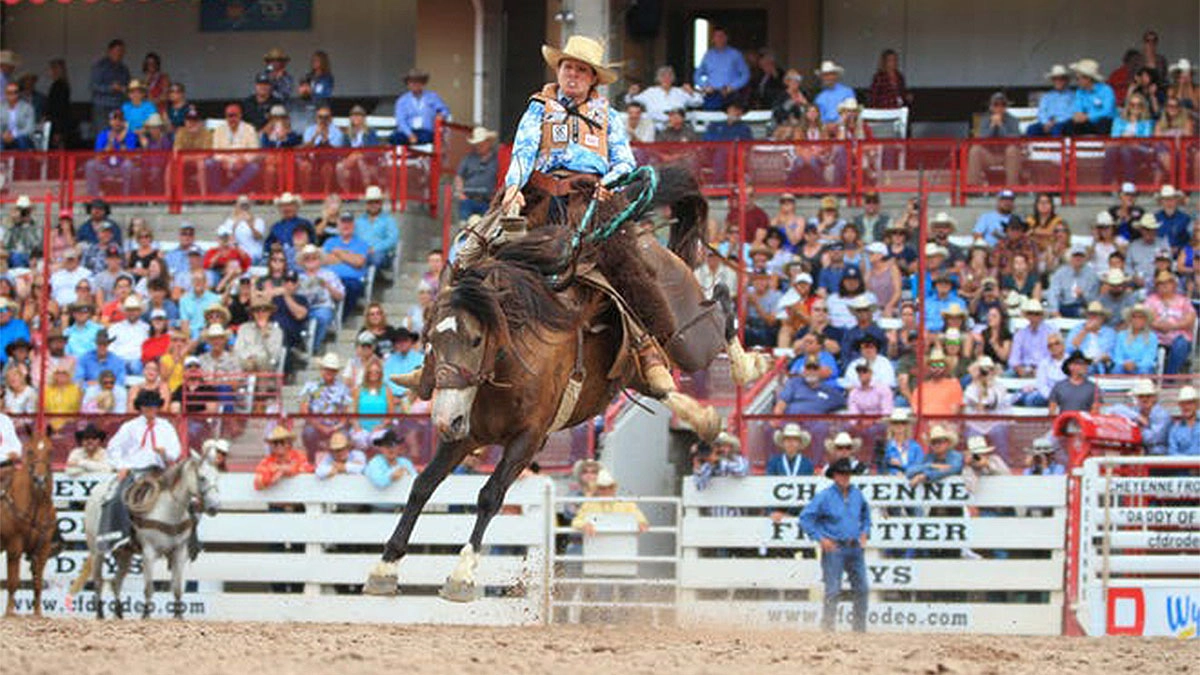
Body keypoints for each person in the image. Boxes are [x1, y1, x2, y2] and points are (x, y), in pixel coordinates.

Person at [96, 389, 180, 553]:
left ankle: (188, 541)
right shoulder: (130, 427)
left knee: (186, 498)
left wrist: (165, 453)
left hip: (160, 470)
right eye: (147, 407)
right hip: (135, 471)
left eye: (154, 407)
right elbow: (113, 448)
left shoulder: (166, 427)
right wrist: (122, 466)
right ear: (140, 408)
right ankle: (117, 536)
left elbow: (175, 451)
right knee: (117, 499)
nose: (151, 410)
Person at [800, 457, 870, 633]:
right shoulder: (825, 496)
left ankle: (859, 629)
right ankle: (828, 627)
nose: (845, 476)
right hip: (835, 548)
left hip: (854, 546)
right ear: (835, 476)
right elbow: (805, 518)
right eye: (841, 473)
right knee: (833, 590)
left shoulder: (857, 494)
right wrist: (821, 538)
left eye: (847, 473)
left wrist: (865, 531)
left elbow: (866, 515)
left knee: (862, 588)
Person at [299, 353, 353, 454]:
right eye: (326, 369)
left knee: (345, 436)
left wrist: (336, 427)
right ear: (321, 369)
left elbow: (346, 413)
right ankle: (311, 459)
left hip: (336, 425)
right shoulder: (310, 385)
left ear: (336, 372)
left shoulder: (343, 388)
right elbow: (304, 410)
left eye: (332, 370)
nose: (329, 372)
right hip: (315, 425)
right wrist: (321, 427)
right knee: (308, 433)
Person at [1145, 270, 1195, 375]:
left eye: (1167, 282)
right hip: (1156, 335)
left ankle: (1169, 377)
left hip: (1178, 334)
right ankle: (1150, 374)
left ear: (1173, 284)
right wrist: (1158, 326)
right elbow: (1145, 318)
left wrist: (1173, 326)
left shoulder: (1183, 300)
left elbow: (1191, 319)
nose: (1164, 286)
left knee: (1181, 344)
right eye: (1160, 283)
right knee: (1145, 340)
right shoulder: (1150, 300)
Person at [967, 92, 1021, 186]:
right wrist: (992, 126)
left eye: (1002, 105)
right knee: (975, 150)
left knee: (1012, 150)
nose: (999, 108)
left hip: (1006, 155)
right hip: (989, 154)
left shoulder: (1013, 120)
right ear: (991, 107)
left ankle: (1012, 187)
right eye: (996, 105)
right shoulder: (985, 119)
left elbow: (1014, 140)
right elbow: (981, 139)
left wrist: (1001, 126)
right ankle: (974, 186)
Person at [571, 469, 649, 534]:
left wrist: (641, 523)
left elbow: (640, 517)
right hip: (596, 548)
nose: (607, 490)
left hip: (622, 546)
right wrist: (584, 525)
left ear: (614, 488)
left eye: (610, 487)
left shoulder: (626, 504)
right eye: (602, 488)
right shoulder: (589, 504)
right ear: (597, 489)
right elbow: (576, 521)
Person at [1107, 379, 1171, 456]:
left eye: (1148, 396)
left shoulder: (1162, 415)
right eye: (1141, 396)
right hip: (1141, 453)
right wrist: (1138, 417)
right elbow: (1113, 409)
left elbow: (1152, 438)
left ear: (1154, 398)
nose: (1145, 399)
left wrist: (1134, 430)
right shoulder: (1136, 411)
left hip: (1158, 456)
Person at [322, 212, 369, 316]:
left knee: (352, 287)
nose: (346, 225)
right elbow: (324, 260)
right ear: (338, 225)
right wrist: (349, 256)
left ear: (354, 225)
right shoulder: (330, 242)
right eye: (343, 222)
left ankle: (340, 318)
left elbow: (359, 262)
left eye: (349, 222)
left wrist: (338, 253)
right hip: (331, 278)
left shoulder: (361, 243)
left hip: (352, 280)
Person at [693, 27, 749, 111]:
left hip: (730, 94)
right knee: (711, 120)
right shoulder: (708, 55)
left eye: (721, 36)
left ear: (726, 38)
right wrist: (705, 86)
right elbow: (697, 75)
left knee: (730, 121)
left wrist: (733, 87)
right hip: (712, 95)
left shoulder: (735, 54)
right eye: (716, 36)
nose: (719, 39)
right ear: (713, 39)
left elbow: (745, 75)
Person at [392, 68, 449, 145]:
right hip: (407, 131)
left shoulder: (432, 96)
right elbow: (401, 120)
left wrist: (441, 115)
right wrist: (410, 134)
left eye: (418, 82)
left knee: (427, 137)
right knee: (395, 137)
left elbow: (444, 109)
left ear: (423, 83)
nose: (415, 85)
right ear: (408, 84)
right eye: (411, 82)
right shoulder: (402, 100)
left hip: (425, 131)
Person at [454, 128, 500, 220]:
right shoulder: (468, 159)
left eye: (481, 143)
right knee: (465, 227)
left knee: (485, 230)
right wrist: (460, 193)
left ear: (488, 142)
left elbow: (501, 178)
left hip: (487, 201)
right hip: (468, 200)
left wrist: (496, 198)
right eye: (477, 144)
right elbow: (459, 176)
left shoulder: (497, 160)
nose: (478, 146)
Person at [634, 65, 702, 128]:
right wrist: (632, 93)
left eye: (669, 76)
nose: (666, 79)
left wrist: (691, 92)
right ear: (658, 79)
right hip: (655, 128)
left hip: (676, 128)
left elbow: (698, 102)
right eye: (663, 76)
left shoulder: (680, 92)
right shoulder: (650, 92)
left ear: (673, 79)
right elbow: (632, 101)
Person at [89, 39, 130, 139]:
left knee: (118, 136)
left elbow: (128, 87)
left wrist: (124, 89)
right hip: (102, 107)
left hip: (118, 106)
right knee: (103, 135)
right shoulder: (100, 66)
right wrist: (110, 88)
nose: (119, 54)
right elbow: (93, 86)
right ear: (109, 51)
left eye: (122, 51)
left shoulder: (124, 69)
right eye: (117, 50)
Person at [1063, 59, 1116, 136]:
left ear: (1088, 78)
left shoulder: (1106, 90)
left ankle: (1101, 147)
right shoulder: (1079, 92)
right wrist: (1078, 115)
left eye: (1078, 79)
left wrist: (1088, 116)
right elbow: (1078, 109)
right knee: (1069, 125)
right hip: (1088, 122)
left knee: (1104, 123)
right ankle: (1074, 147)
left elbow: (1108, 111)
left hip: (1104, 122)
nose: (1077, 81)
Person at [253, 425, 313, 490]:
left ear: (288, 444)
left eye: (282, 442)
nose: (279, 445)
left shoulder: (299, 455)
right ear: (271, 446)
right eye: (275, 442)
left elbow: (308, 469)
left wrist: (283, 470)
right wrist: (277, 472)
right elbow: (258, 483)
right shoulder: (266, 461)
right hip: (275, 498)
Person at [1046, 246, 1100, 319]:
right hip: (1063, 305)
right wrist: (1055, 311)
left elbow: (1094, 299)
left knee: (1081, 312)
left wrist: (1083, 295)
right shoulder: (1061, 272)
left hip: (1082, 306)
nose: (1078, 258)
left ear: (1085, 258)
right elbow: (1053, 293)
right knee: (1049, 311)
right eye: (1075, 256)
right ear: (1070, 258)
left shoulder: (1092, 275)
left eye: (1081, 256)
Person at [355, 186, 400, 270]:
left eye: (376, 202)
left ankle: (365, 280)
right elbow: (354, 238)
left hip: (381, 253)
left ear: (381, 203)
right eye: (370, 202)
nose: (373, 205)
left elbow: (393, 239)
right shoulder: (359, 221)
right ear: (366, 204)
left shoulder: (388, 220)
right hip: (361, 253)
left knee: (375, 257)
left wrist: (375, 248)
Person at [1027, 65, 1075, 136]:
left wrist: (1056, 121)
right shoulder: (1047, 96)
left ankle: (1055, 147)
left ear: (1066, 80)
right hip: (1046, 123)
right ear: (1052, 81)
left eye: (1061, 79)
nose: (1058, 81)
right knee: (1031, 129)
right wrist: (1046, 123)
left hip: (1063, 124)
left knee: (1057, 129)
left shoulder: (1072, 96)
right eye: (1055, 79)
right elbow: (1041, 112)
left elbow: (1071, 113)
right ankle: (1031, 147)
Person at [1113, 304, 1158, 374]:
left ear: (1145, 320)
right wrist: (1124, 363)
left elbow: (1149, 358)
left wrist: (1136, 365)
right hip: (1124, 367)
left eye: (1141, 317)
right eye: (1134, 317)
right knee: (1117, 368)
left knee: (1144, 370)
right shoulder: (1121, 335)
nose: (1137, 320)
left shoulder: (1152, 337)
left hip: (1142, 368)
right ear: (1130, 319)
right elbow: (1117, 355)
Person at [812, 60, 855, 125]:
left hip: (843, 127)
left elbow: (851, 112)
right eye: (824, 75)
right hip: (824, 129)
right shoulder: (819, 97)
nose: (827, 78)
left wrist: (838, 124)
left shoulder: (847, 92)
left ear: (836, 76)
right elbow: (818, 117)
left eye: (830, 74)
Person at [883, 409, 923, 476]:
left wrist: (901, 467)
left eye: (903, 423)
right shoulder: (885, 447)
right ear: (891, 426)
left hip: (912, 483)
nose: (899, 425)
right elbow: (882, 468)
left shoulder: (915, 447)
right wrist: (895, 471)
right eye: (895, 423)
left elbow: (920, 467)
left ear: (907, 426)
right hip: (890, 483)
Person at [1154, 185, 1193, 254]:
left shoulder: (1185, 218)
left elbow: (1191, 240)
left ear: (1176, 201)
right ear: (1161, 202)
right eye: (1166, 200)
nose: (1169, 203)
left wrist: (1178, 248)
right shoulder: (1155, 218)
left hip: (1179, 256)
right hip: (1158, 256)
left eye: (1171, 199)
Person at [0, 81, 35, 150]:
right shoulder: (1, 108)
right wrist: (3, 135)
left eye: (15, 92)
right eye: (9, 93)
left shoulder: (27, 108)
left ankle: (23, 161)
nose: (12, 95)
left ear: (19, 93)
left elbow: (29, 128)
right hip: (4, 137)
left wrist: (14, 135)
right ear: (6, 94)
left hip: (21, 137)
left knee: (21, 140)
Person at [1167, 386, 1200, 457]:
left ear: (1197, 404)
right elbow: (1172, 452)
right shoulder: (1174, 429)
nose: (1186, 407)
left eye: (1189, 403)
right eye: (1183, 404)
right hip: (1183, 467)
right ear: (1179, 405)